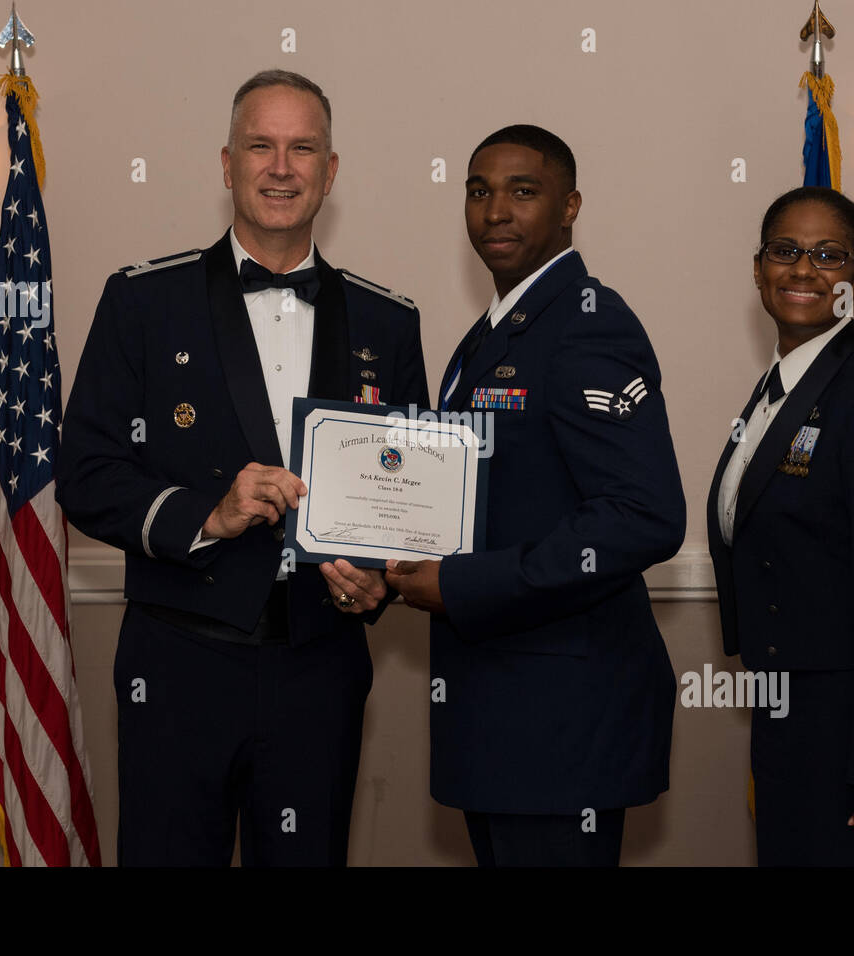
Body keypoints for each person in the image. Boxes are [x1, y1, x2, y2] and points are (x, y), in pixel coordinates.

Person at [55, 69, 428, 866]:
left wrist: (379, 579)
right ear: (226, 163)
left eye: (303, 149)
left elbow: (407, 499)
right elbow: (84, 471)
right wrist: (209, 515)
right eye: (261, 145)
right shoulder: (143, 303)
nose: (281, 167)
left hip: (322, 668)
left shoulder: (389, 323)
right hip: (177, 663)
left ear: (331, 172)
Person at [386, 125, 685, 867]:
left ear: (570, 206)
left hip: (560, 720)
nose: (496, 211)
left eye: (524, 191)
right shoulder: (497, 333)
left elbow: (644, 515)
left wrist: (462, 583)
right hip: (502, 713)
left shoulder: (589, 324)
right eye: (480, 191)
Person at [706, 186, 854, 866]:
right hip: (790, 715)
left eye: (829, 255)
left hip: (852, 732)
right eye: (785, 251)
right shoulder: (776, 392)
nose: (804, 270)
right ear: (758, 269)